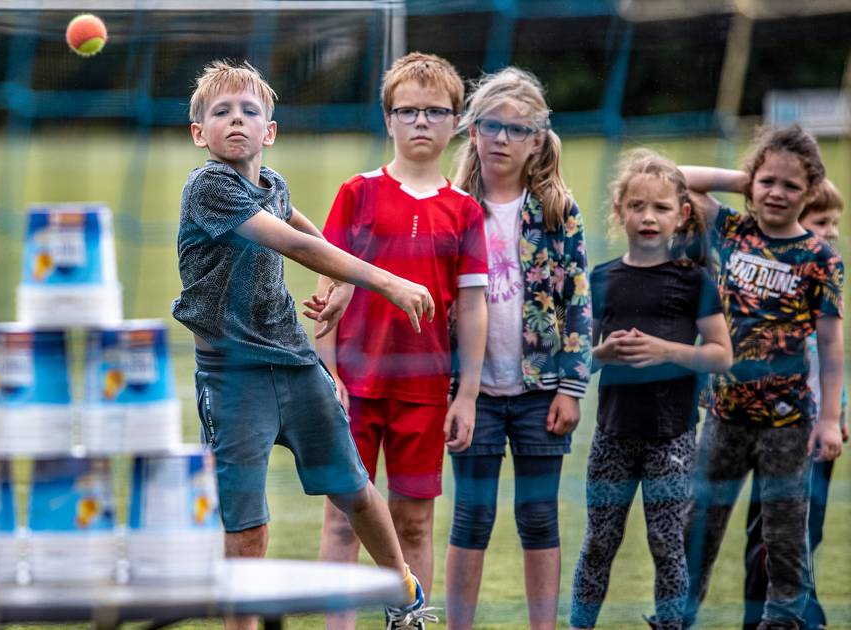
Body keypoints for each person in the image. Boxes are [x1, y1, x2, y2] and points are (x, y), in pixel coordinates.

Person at [172, 59, 437, 630]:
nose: (235, 120)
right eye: (221, 113)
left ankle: (402, 593)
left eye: (249, 111)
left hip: (295, 365)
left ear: (270, 130)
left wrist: (339, 279)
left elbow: (300, 223)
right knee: (246, 525)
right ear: (201, 134)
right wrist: (385, 280)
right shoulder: (209, 187)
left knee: (356, 490)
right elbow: (293, 243)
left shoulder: (270, 183)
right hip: (233, 375)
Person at [311, 52, 488, 630]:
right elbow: (327, 292)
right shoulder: (357, 193)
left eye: (434, 111)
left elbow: (472, 305)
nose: (419, 122)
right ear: (388, 119)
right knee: (343, 520)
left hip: (424, 392)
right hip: (353, 391)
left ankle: (405, 623)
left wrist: (466, 397)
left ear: (456, 123)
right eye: (407, 111)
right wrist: (327, 375)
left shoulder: (464, 212)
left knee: (413, 523)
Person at [443, 66, 592, 630]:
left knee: (538, 517)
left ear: (537, 142)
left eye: (516, 129)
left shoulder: (557, 210)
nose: (502, 138)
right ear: (473, 131)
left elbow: (578, 301)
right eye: (491, 126)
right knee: (471, 517)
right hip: (471, 395)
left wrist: (571, 387)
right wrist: (451, 388)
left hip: (540, 393)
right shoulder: (454, 208)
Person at [680, 125, 845, 630]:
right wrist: (744, 178)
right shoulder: (731, 230)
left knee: (784, 534)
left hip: (788, 422)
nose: (777, 193)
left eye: (792, 186)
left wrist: (831, 419)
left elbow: (833, 345)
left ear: (811, 191)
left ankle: (781, 621)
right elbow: (674, 180)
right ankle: (676, 613)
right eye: (767, 181)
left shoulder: (820, 259)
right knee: (699, 525)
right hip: (725, 416)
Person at [568, 149, 732, 630]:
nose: (647, 217)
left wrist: (666, 350)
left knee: (667, 543)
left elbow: (721, 355)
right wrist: (602, 355)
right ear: (619, 211)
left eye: (660, 208)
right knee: (600, 540)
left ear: (682, 215)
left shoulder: (694, 280)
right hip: (613, 435)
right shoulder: (600, 280)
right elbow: (577, 360)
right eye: (637, 206)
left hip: (672, 436)